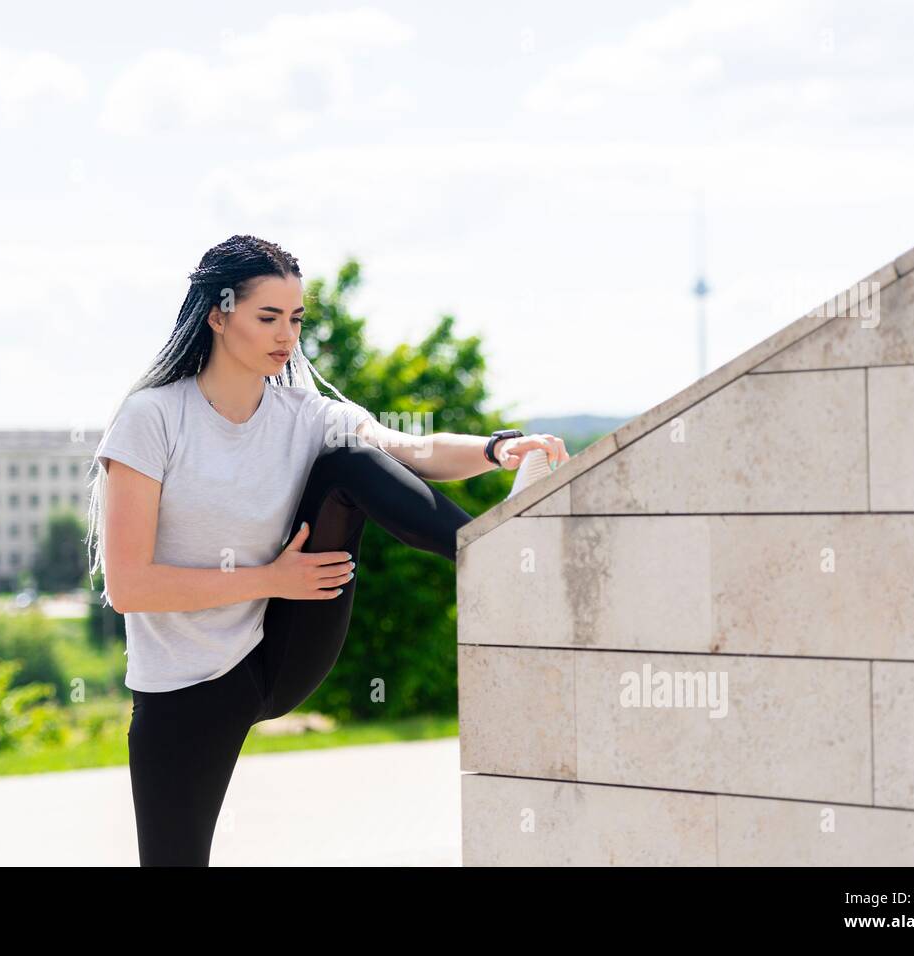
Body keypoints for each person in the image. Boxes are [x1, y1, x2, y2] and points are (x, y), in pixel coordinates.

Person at [84, 235, 568, 866]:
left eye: (296, 319)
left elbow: (407, 450)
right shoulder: (153, 419)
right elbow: (129, 586)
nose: (287, 335)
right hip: (187, 686)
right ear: (217, 314)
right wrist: (270, 579)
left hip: (282, 648)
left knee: (351, 463)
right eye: (268, 317)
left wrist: (498, 449)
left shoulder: (303, 413)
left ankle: (491, 555)